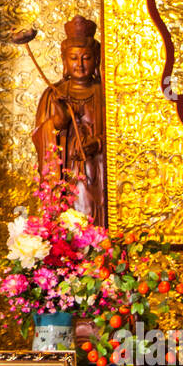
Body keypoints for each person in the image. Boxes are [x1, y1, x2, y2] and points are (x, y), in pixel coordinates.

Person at [32, 15, 106, 225]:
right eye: (74, 58)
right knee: (68, 221)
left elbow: (122, 136)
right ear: (64, 60)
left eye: (86, 58)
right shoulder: (53, 94)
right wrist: (56, 123)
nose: (80, 64)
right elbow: (40, 136)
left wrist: (98, 143)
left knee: (99, 222)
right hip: (67, 174)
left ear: (96, 60)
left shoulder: (106, 95)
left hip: (99, 175)